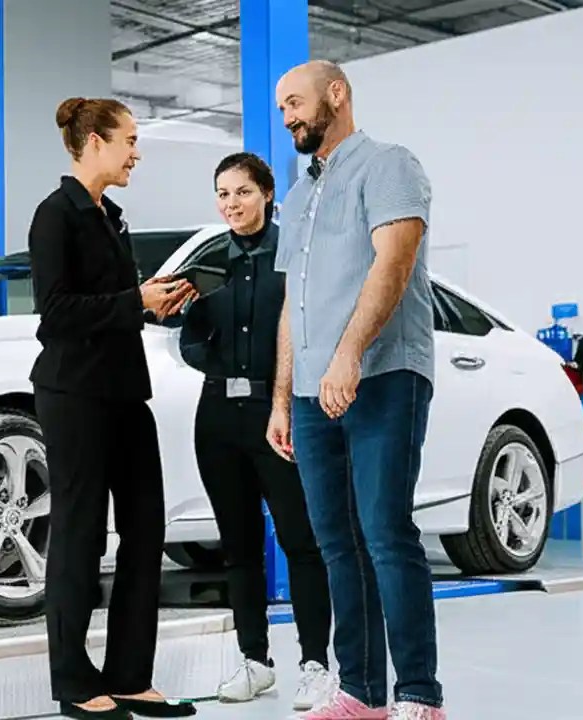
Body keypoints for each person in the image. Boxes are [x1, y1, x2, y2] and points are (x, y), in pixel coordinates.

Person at [270, 60, 445, 720]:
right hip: (314, 393)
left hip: (383, 374)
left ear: (336, 95)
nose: (288, 116)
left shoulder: (389, 164)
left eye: (296, 102)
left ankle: (420, 696)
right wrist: (284, 396)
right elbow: (295, 297)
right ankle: (362, 693)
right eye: (281, 107)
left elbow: (393, 263)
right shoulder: (302, 192)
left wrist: (348, 355)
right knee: (335, 542)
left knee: (385, 533)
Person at [27, 96, 197, 720]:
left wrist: (156, 302)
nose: (136, 153)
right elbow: (58, 312)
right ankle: (74, 680)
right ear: (94, 141)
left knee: (146, 528)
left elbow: (116, 303)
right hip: (74, 393)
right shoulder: (56, 215)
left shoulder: (110, 216)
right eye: (128, 140)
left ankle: (129, 675)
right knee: (79, 533)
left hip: (126, 392)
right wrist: (134, 301)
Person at [174, 152, 335, 712]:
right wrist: (212, 356)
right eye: (222, 194)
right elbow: (190, 336)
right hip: (218, 417)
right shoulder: (210, 263)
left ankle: (316, 664)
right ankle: (255, 661)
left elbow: (311, 327)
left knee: (299, 540)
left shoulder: (293, 256)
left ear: (268, 194)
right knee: (238, 547)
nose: (231, 204)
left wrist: (281, 392)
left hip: (280, 411)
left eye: (242, 192)